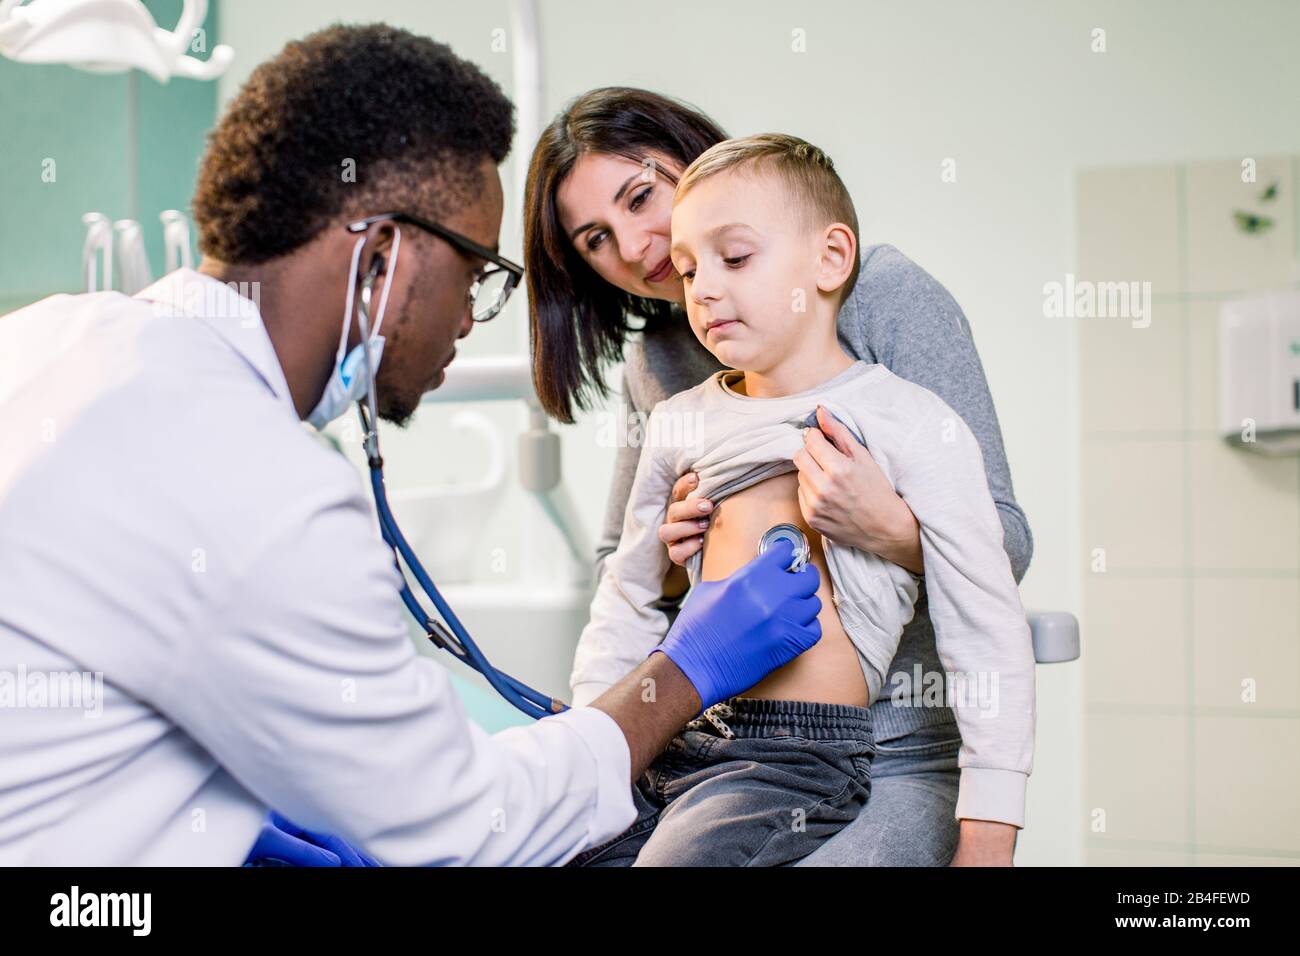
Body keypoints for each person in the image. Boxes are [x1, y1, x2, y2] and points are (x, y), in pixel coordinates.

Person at [0, 24, 822, 866]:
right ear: (384, 256)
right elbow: (464, 828)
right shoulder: (265, 488)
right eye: (475, 277)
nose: (469, 319)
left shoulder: (45, 338)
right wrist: (683, 672)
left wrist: (237, 825)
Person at [524, 88, 1035, 865]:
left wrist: (882, 526)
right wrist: (673, 557)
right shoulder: (662, 372)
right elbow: (625, 576)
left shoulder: (884, 309)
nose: (633, 246)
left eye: (640, 197)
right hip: (701, 732)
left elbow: (1001, 555)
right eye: (596, 238)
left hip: (888, 744)